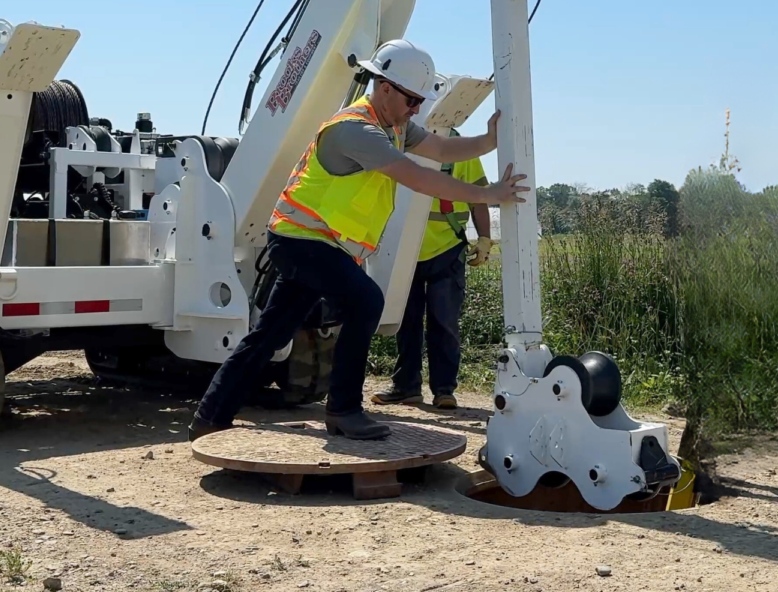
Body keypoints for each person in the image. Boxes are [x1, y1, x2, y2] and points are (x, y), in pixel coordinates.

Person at [189, 39, 528, 441]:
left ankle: (210, 418)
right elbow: (419, 177)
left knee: (271, 334)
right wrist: (488, 195)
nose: (416, 108)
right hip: (303, 240)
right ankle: (344, 410)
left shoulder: (393, 125)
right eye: (412, 100)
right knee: (365, 300)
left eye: (420, 101)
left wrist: (488, 140)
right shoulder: (356, 130)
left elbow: (440, 148)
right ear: (385, 88)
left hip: (312, 243)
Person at [371, 128, 491, 410]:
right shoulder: (397, 142)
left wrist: (485, 238)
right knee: (405, 322)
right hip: (404, 250)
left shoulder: (460, 149)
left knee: (444, 322)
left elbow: (478, 198)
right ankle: (406, 387)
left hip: (446, 248)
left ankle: (444, 389)